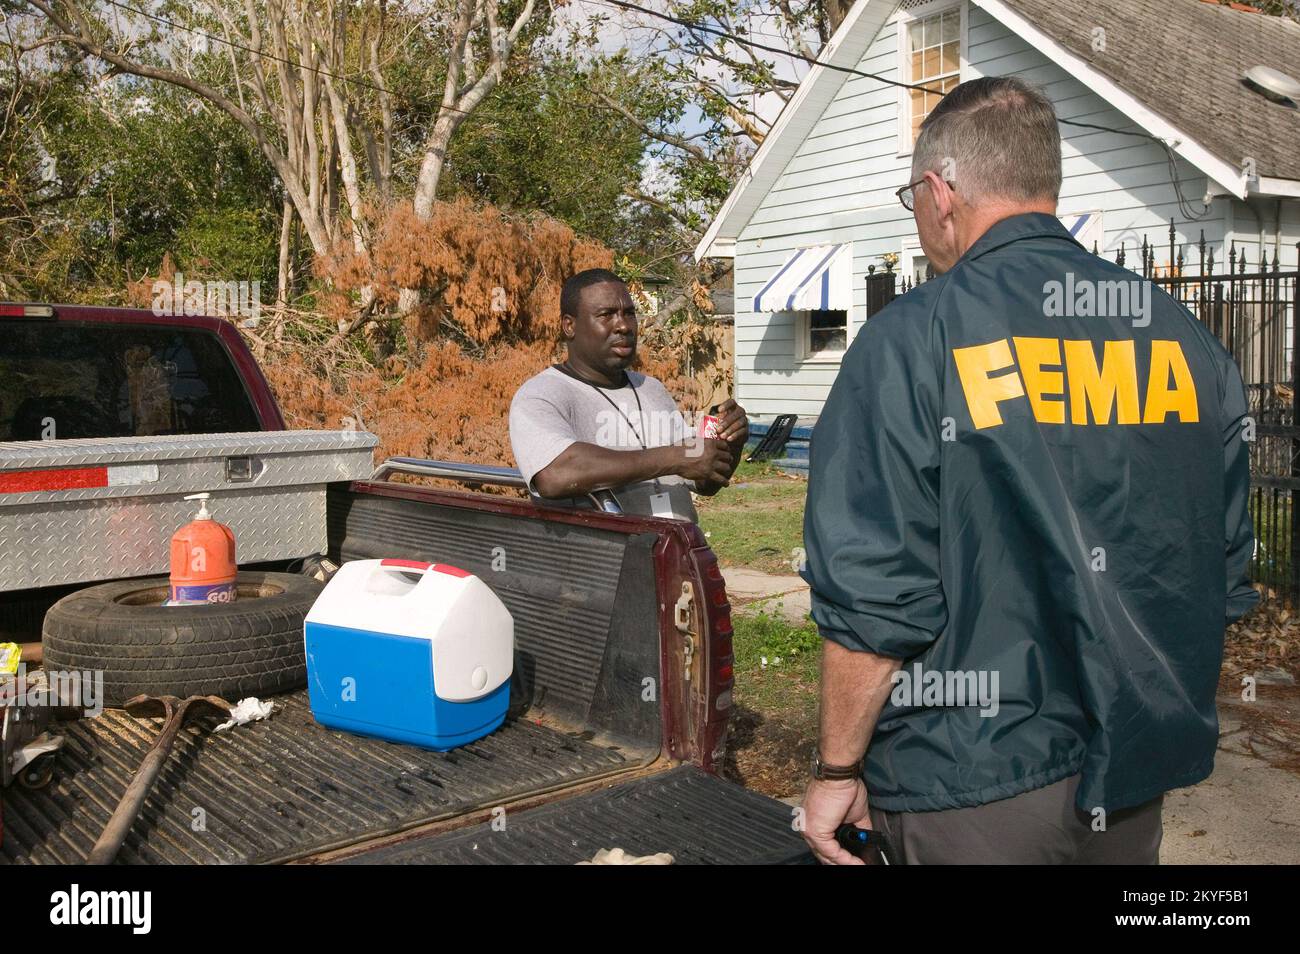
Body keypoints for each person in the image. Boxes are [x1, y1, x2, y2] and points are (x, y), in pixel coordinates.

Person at [799, 77, 1257, 865]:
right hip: (1127, 778)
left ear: (940, 193)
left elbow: (873, 599)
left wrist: (836, 769)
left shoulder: (913, 342)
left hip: (969, 789)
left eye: (913, 195)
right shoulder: (1182, 339)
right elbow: (1220, 568)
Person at [509, 268, 748, 521]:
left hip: (680, 553)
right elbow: (555, 474)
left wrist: (729, 441)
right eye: (606, 315)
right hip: (607, 559)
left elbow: (704, 481)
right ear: (569, 326)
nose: (623, 325)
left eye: (629, 313)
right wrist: (675, 457)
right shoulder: (541, 394)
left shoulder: (651, 388)